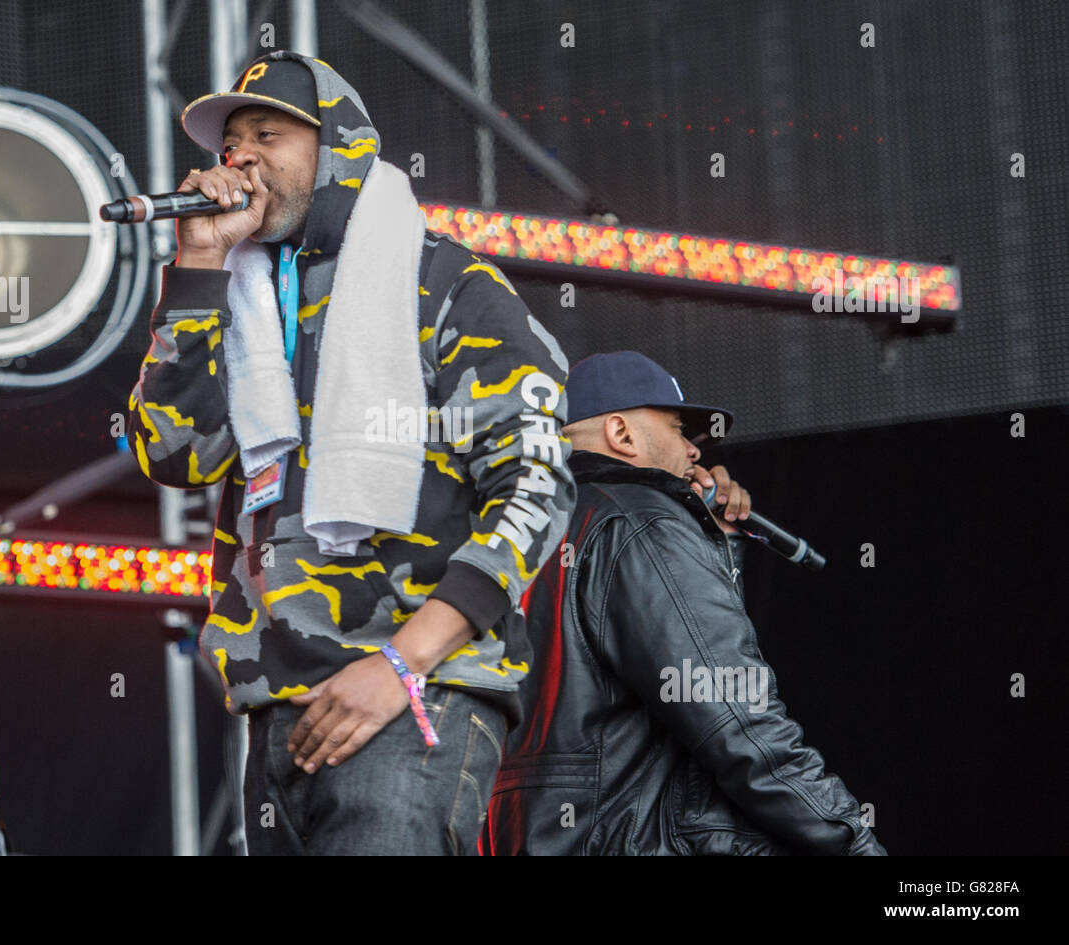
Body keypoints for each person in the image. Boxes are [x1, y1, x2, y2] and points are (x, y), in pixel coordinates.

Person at [127, 50, 575, 855]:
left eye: (268, 133)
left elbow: (537, 486)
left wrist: (401, 665)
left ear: (338, 148)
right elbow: (172, 453)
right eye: (230, 144)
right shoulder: (242, 299)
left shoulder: (446, 285)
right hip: (279, 707)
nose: (240, 158)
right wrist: (197, 263)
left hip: (415, 697)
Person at [481, 351, 886, 855]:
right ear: (621, 434)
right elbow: (739, 722)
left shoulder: (518, 537)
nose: (694, 453)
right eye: (678, 431)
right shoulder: (643, 523)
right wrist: (854, 842)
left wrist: (719, 542)